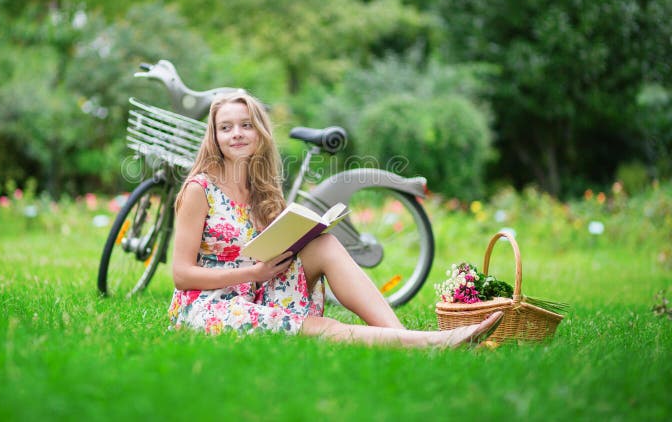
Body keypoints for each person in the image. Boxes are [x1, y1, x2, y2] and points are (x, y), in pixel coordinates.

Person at [168, 92, 503, 348]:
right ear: (214, 137)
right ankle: (433, 343)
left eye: (245, 125)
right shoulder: (200, 189)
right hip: (210, 306)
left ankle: (402, 337)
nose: (236, 134)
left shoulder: (260, 187)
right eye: (226, 128)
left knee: (324, 243)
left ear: (259, 133)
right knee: (325, 330)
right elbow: (181, 275)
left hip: (254, 290)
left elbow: (267, 249)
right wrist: (254, 273)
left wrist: (296, 237)